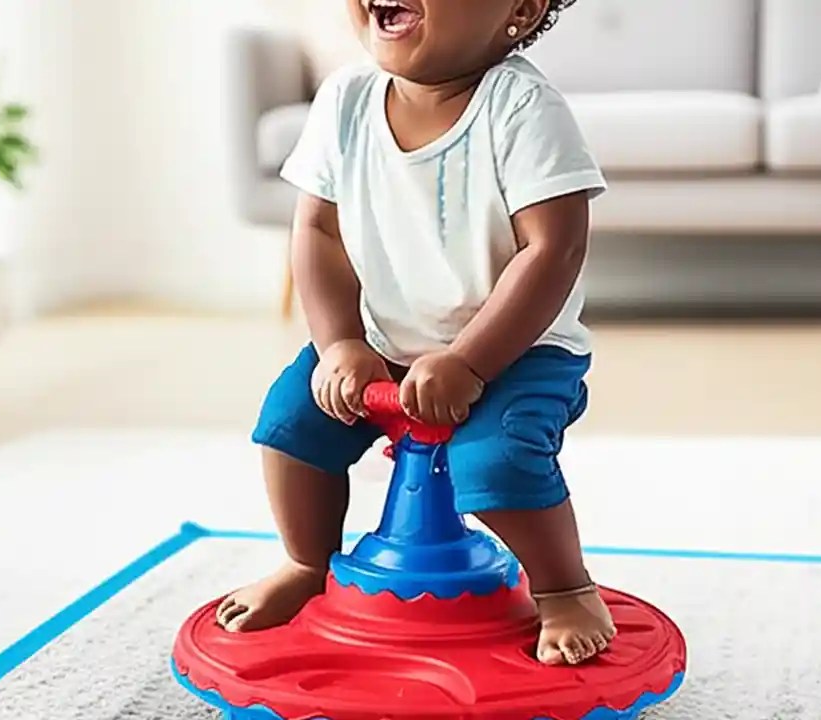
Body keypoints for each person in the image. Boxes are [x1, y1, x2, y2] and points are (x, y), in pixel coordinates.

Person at [217, 0, 613, 666]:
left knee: (495, 463)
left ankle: (566, 587)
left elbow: (553, 250)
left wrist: (470, 361)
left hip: (517, 351)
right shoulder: (345, 98)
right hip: (381, 345)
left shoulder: (521, 109)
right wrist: (341, 341)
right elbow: (318, 231)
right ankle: (306, 562)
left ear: (519, 9)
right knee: (288, 428)